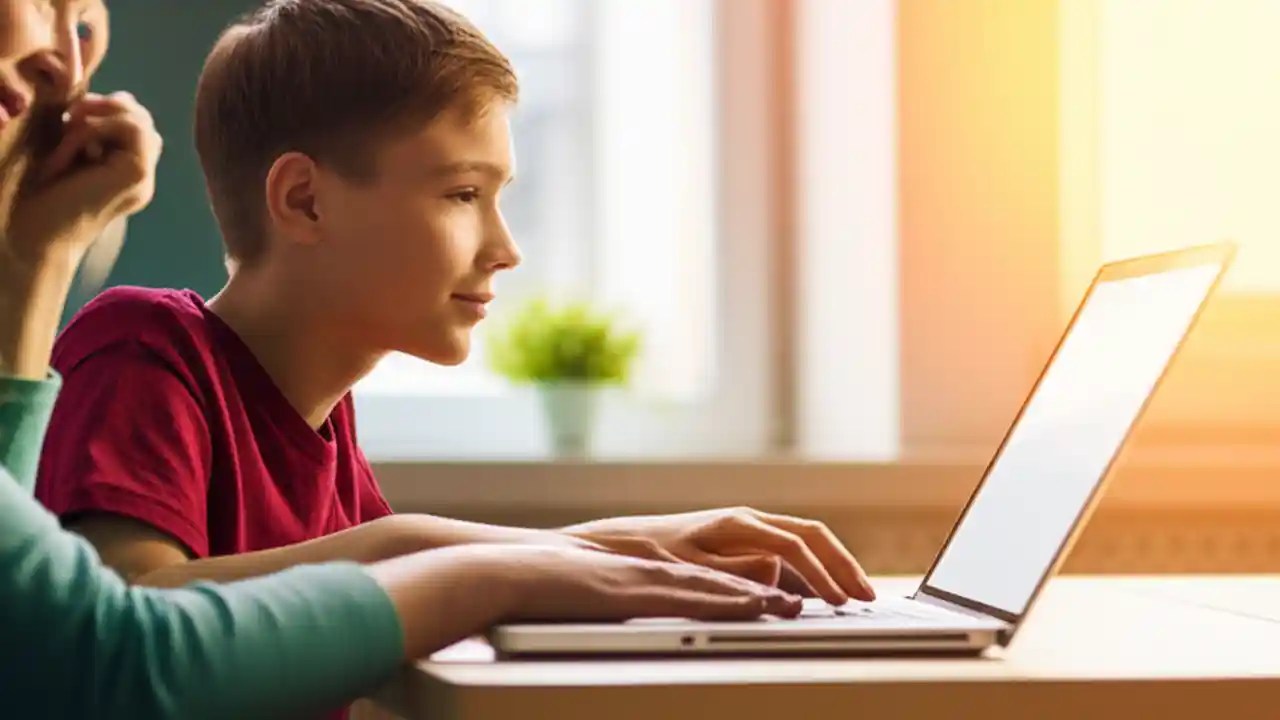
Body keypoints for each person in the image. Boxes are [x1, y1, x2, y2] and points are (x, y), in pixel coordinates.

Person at [0, 1, 805, 717]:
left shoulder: (322, 414)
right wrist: (475, 550)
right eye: (463, 194)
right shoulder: (144, 345)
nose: (506, 249)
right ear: (304, 200)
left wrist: (626, 546)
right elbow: (128, 609)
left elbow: (385, 573)